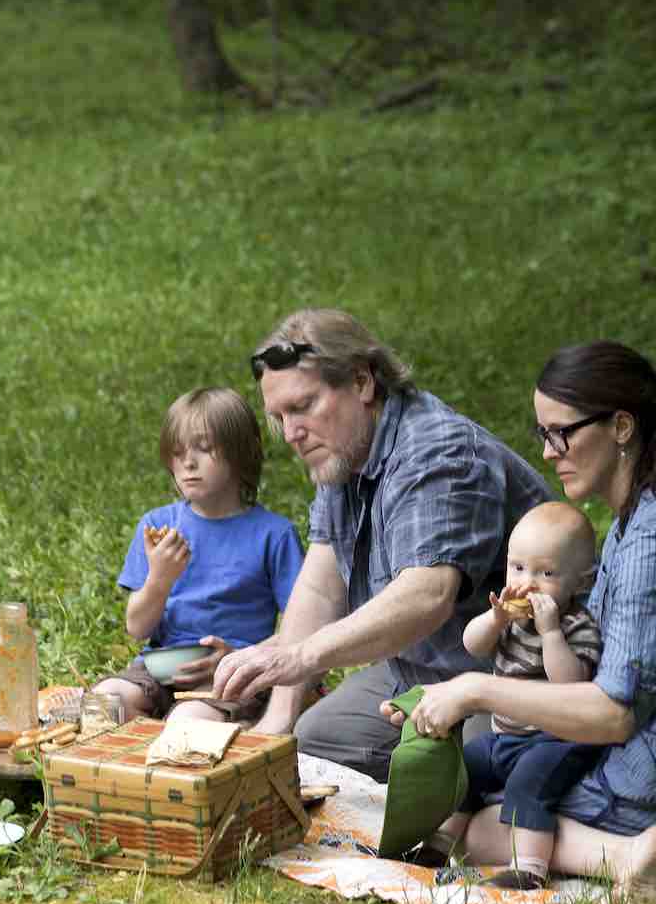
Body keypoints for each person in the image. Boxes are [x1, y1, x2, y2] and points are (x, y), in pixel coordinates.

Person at [392, 341, 656, 904]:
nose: (548, 452)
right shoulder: (638, 523)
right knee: (495, 789)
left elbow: (613, 712)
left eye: (561, 433)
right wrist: (431, 699)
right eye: (542, 433)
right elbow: (591, 670)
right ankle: (634, 856)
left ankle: (637, 858)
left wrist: (474, 690)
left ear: (621, 427)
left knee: (487, 827)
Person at [211, 308, 550, 780]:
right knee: (314, 739)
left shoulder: (438, 453)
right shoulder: (342, 453)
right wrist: (278, 719)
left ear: (362, 382)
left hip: (513, 678)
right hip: (421, 671)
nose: (290, 433)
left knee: (480, 779)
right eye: (279, 417)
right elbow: (320, 589)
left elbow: (426, 597)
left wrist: (300, 655)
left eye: (303, 406)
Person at [416, 499, 603, 890]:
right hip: (504, 735)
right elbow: (472, 645)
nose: (527, 582)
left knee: (529, 781)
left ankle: (529, 869)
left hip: (556, 739)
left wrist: (551, 633)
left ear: (581, 583)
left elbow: (570, 684)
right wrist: (495, 618)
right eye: (517, 567)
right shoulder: (509, 618)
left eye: (546, 572)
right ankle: (440, 843)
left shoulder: (576, 626)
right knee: (464, 768)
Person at [92, 386, 304, 726]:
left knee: (188, 722)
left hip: (233, 672)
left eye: (204, 449)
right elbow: (136, 628)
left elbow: (304, 625)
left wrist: (242, 657)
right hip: (159, 668)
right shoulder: (158, 527)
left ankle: (205, 730)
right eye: (177, 453)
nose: (188, 463)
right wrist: (159, 580)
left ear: (240, 454)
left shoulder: (273, 534)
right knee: (104, 704)